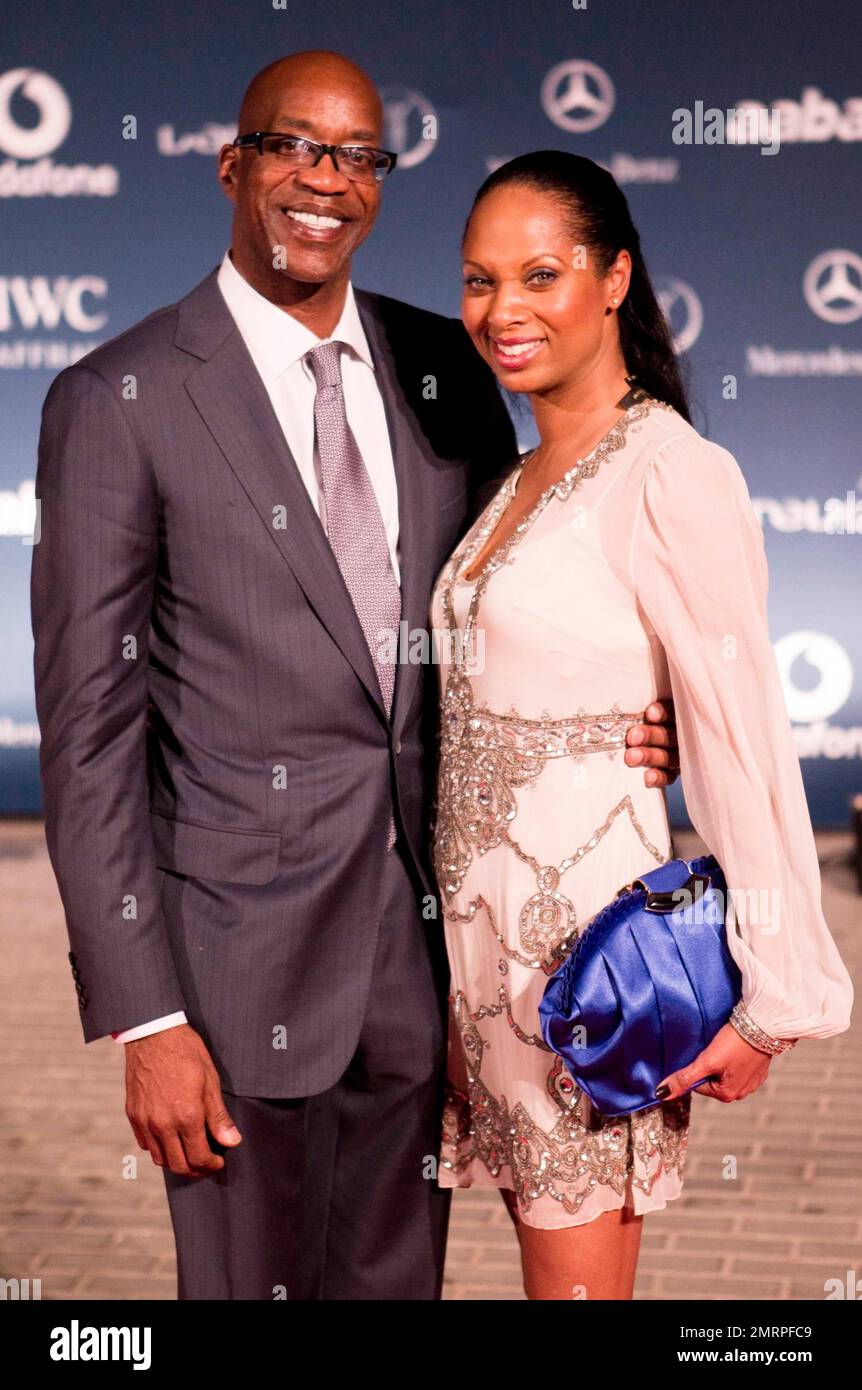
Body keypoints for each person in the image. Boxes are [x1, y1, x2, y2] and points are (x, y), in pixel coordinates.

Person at [31, 56, 677, 1301]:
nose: (326, 181)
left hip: (430, 971)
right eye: (295, 147)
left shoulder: (448, 369)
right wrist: (146, 1019)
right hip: (229, 984)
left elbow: (522, 605)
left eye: (359, 156)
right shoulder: (120, 397)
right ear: (234, 165)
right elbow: (90, 733)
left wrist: (637, 728)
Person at [430, 151, 854, 1301]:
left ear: (614, 278)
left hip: (585, 973)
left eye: (539, 275)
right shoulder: (515, 477)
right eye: (478, 282)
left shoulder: (672, 471)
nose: (502, 312)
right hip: (482, 963)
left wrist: (774, 1003)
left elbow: (744, 745)